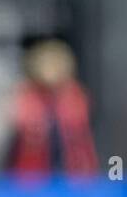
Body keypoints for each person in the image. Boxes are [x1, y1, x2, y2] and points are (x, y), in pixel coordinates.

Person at [6, 38, 97, 178]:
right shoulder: (27, 95)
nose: (51, 72)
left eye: (55, 66)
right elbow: (24, 125)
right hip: (31, 175)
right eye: (47, 65)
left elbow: (77, 128)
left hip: (73, 173)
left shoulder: (74, 94)